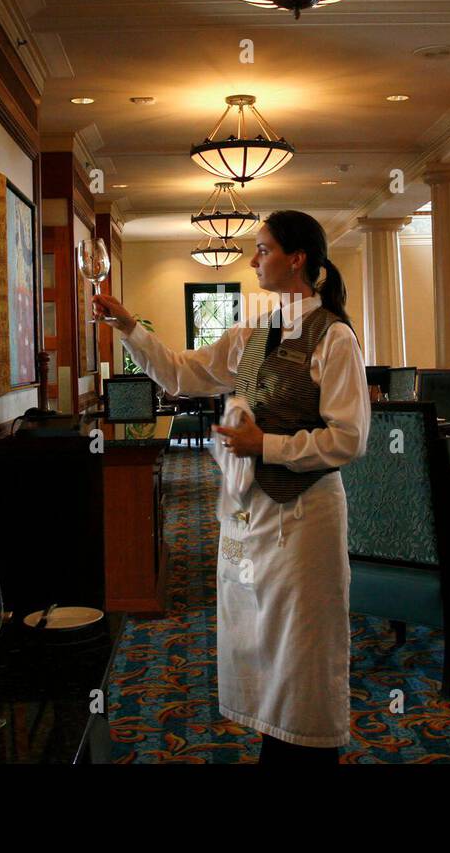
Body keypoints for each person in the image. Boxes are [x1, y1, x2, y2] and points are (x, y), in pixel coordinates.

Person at [92, 210, 370, 764]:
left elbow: (349, 438)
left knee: (302, 652)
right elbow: (181, 373)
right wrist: (128, 326)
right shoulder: (252, 330)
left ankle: (307, 752)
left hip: (306, 516)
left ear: (297, 259)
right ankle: (275, 744)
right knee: (259, 646)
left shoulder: (334, 336)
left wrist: (266, 445)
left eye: (263, 249)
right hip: (250, 515)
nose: (253, 259)